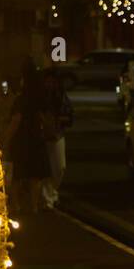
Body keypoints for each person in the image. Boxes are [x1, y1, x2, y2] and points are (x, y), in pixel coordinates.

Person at [5, 58, 50, 216]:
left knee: (18, 174)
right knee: (35, 175)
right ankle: (34, 206)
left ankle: (15, 205)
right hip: (37, 138)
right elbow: (44, 117)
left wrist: (7, 138)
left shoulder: (21, 99)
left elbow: (16, 120)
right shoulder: (40, 96)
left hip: (22, 139)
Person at [40, 68, 73, 209]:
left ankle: (51, 193)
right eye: (48, 80)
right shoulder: (40, 96)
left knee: (60, 167)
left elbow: (70, 115)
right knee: (46, 168)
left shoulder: (60, 96)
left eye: (52, 80)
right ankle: (49, 198)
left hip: (58, 134)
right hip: (43, 136)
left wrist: (59, 120)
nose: (50, 83)